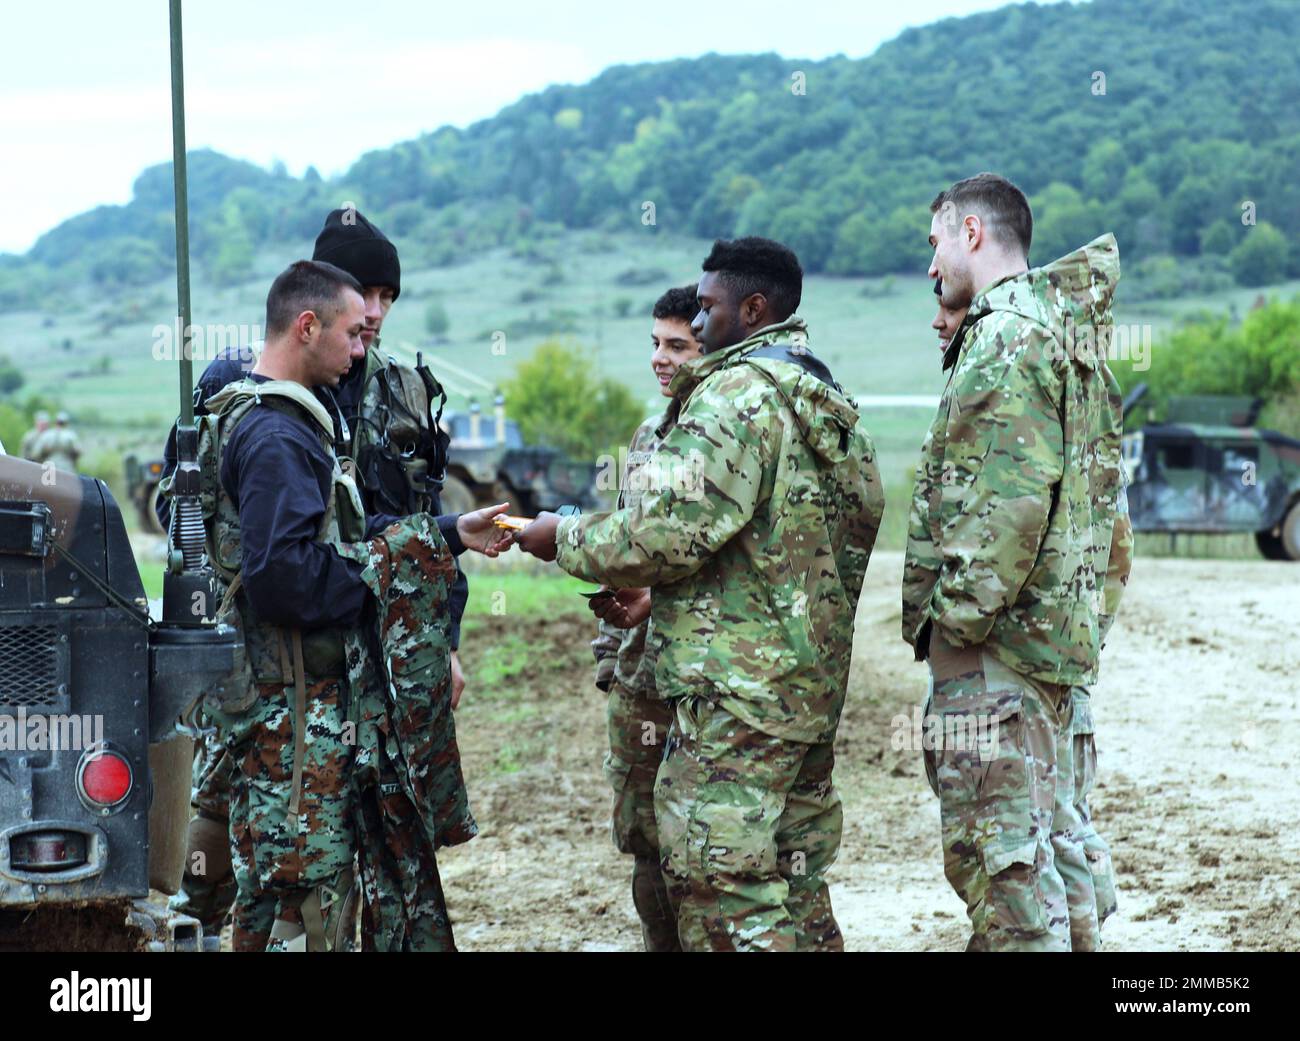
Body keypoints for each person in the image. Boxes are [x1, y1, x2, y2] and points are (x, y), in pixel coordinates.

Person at [518, 237, 885, 952]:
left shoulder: (736, 395)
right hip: (803, 687)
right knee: (794, 874)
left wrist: (556, 534)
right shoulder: (821, 393)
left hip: (737, 695)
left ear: (753, 309)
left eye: (711, 308)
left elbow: (663, 532)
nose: (702, 322)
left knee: (721, 884)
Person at [197, 260, 506, 950]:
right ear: (306, 327)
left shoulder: (275, 417)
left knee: (292, 900)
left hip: (300, 716)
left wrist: (449, 533)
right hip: (296, 727)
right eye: (351, 333)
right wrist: (395, 560)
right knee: (301, 907)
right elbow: (288, 580)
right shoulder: (277, 436)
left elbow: (329, 540)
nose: (361, 350)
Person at [902, 172, 1131, 952]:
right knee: (1051, 861)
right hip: (1049, 650)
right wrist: (1084, 621)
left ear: (971, 233)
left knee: (1006, 879)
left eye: (935, 241)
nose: (932, 267)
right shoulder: (1069, 340)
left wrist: (952, 629)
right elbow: (1111, 519)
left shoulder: (1003, 340)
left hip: (997, 659)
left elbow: (1004, 513)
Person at [587, 284, 700, 952]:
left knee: (708, 846)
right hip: (639, 681)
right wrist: (610, 659)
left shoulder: (724, 440)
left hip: (703, 680)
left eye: (676, 346)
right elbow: (622, 557)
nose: (660, 359)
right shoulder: (647, 436)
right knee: (643, 838)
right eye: (655, 344)